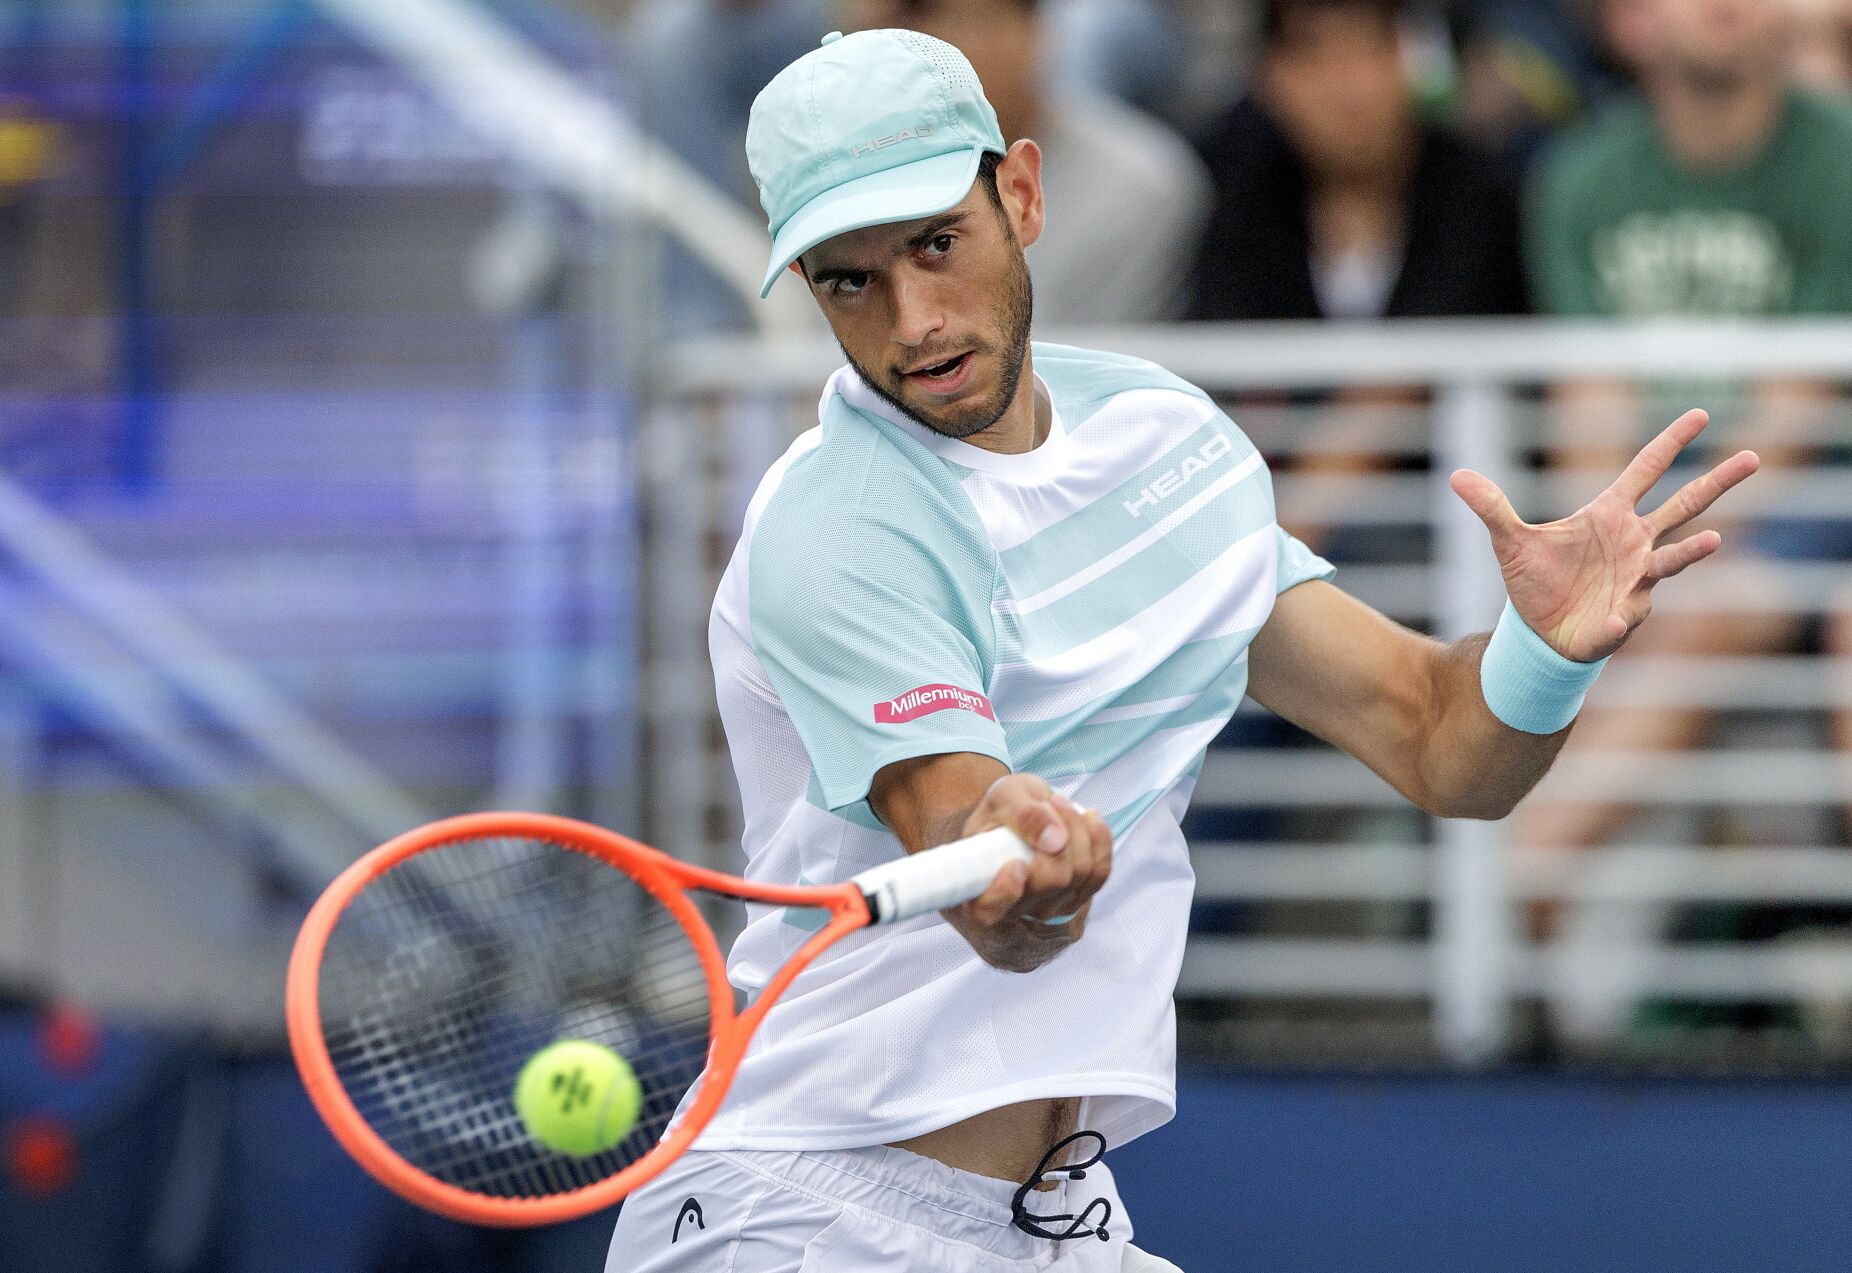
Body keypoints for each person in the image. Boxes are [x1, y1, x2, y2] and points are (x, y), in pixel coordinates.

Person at [604, 29, 1756, 1271]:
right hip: (805, 1218)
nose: (915, 321)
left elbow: (1442, 747)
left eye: (938, 243)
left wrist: (1544, 650)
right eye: (849, 282)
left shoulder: (1163, 440)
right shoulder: (834, 532)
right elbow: (958, 828)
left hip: (1051, 1220)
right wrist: (1019, 863)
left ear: (1024, 194)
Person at [1519, 0, 1852, 866]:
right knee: (1581, 609)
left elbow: (1795, 415)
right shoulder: (1579, 177)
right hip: (1656, 501)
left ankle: (1527, 872)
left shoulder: (1839, 155)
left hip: (1812, 497)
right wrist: (1604, 545)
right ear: (1626, 20)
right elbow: (1585, 406)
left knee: (1694, 609)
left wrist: (1645, 551)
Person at [843, 0, 1210, 325]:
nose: (967, 48)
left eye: (989, 20)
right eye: (944, 21)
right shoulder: (851, 176)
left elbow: (1098, 369)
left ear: (1040, 30)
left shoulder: (1143, 183)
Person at [1187, 0, 1529, 323]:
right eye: (1315, 54)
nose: (1348, 88)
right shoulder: (1223, 194)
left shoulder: (1488, 201)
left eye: (1370, 47)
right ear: (1269, 75)